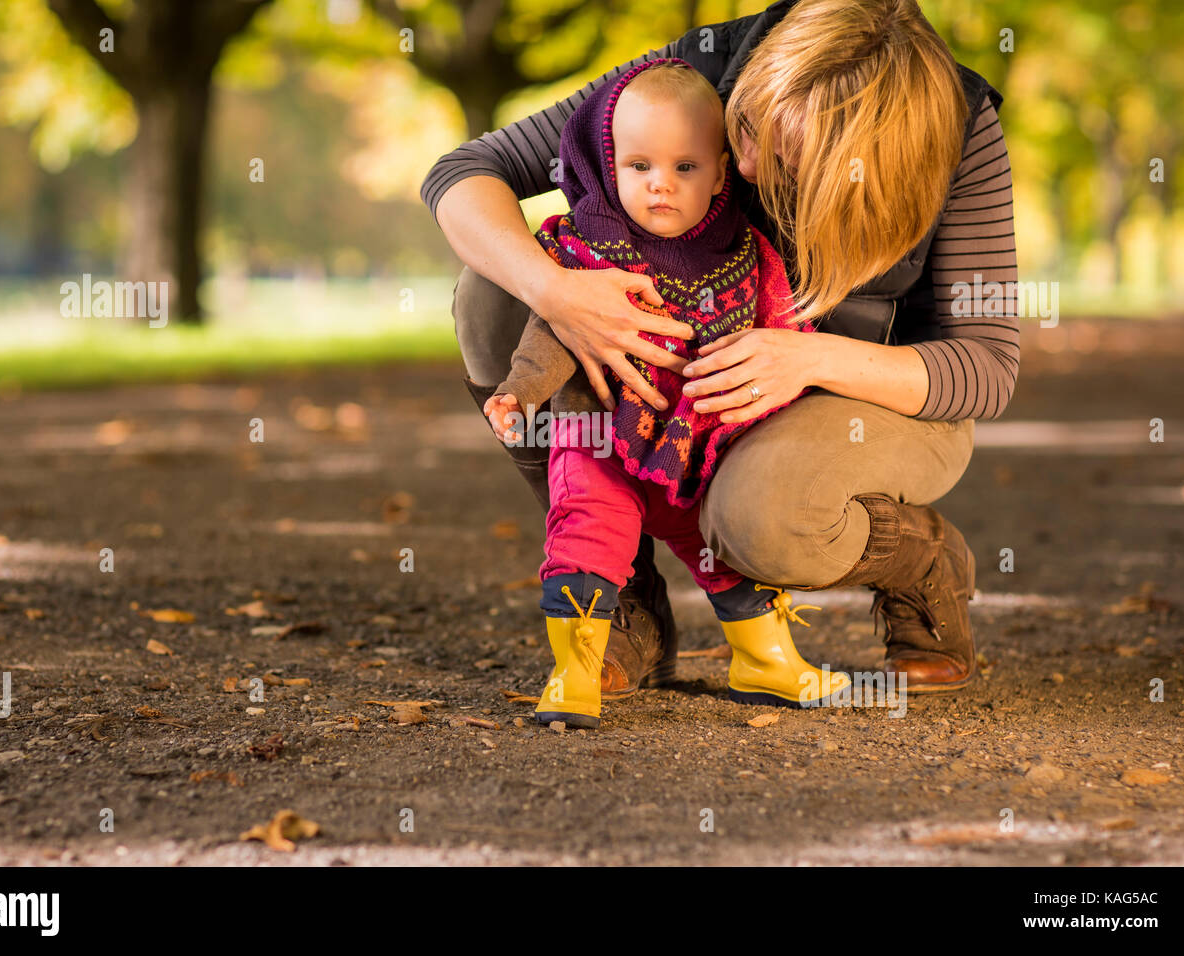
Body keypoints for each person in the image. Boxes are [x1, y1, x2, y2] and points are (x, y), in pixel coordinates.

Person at [422, 0, 1019, 696]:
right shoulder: (708, 62)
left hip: (867, 396)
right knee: (490, 296)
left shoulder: (960, 127)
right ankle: (623, 598)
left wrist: (808, 359)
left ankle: (921, 564)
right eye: (745, 129)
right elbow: (464, 170)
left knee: (758, 521)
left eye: (787, 154)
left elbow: (988, 366)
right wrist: (555, 292)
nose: (750, 165)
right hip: (685, 376)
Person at [479, 58, 850, 728]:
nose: (660, 187)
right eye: (640, 166)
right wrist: (520, 392)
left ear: (719, 172)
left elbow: (777, 326)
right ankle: (576, 671)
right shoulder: (589, 254)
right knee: (587, 539)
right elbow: (547, 335)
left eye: (685, 168)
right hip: (599, 437)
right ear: (608, 166)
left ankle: (764, 662)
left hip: (692, 448)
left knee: (724, 549)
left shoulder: (742, 252)